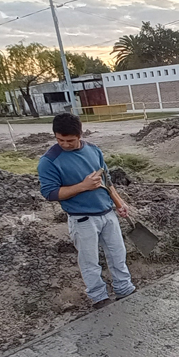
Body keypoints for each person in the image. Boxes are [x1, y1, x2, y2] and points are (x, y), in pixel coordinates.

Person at [39, 112, 136, 308]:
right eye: (60, 140)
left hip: (107, 214)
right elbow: (50, 193)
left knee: (118, 254)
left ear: (80, 135)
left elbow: (106, 181)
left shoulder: (94, 151)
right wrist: (82, 186)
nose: (65, 144)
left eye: (70, 140)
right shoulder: (49, 161)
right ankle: (99, 298)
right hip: (81, 219)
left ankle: (124, 289)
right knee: (90, 262)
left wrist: (119, 203)